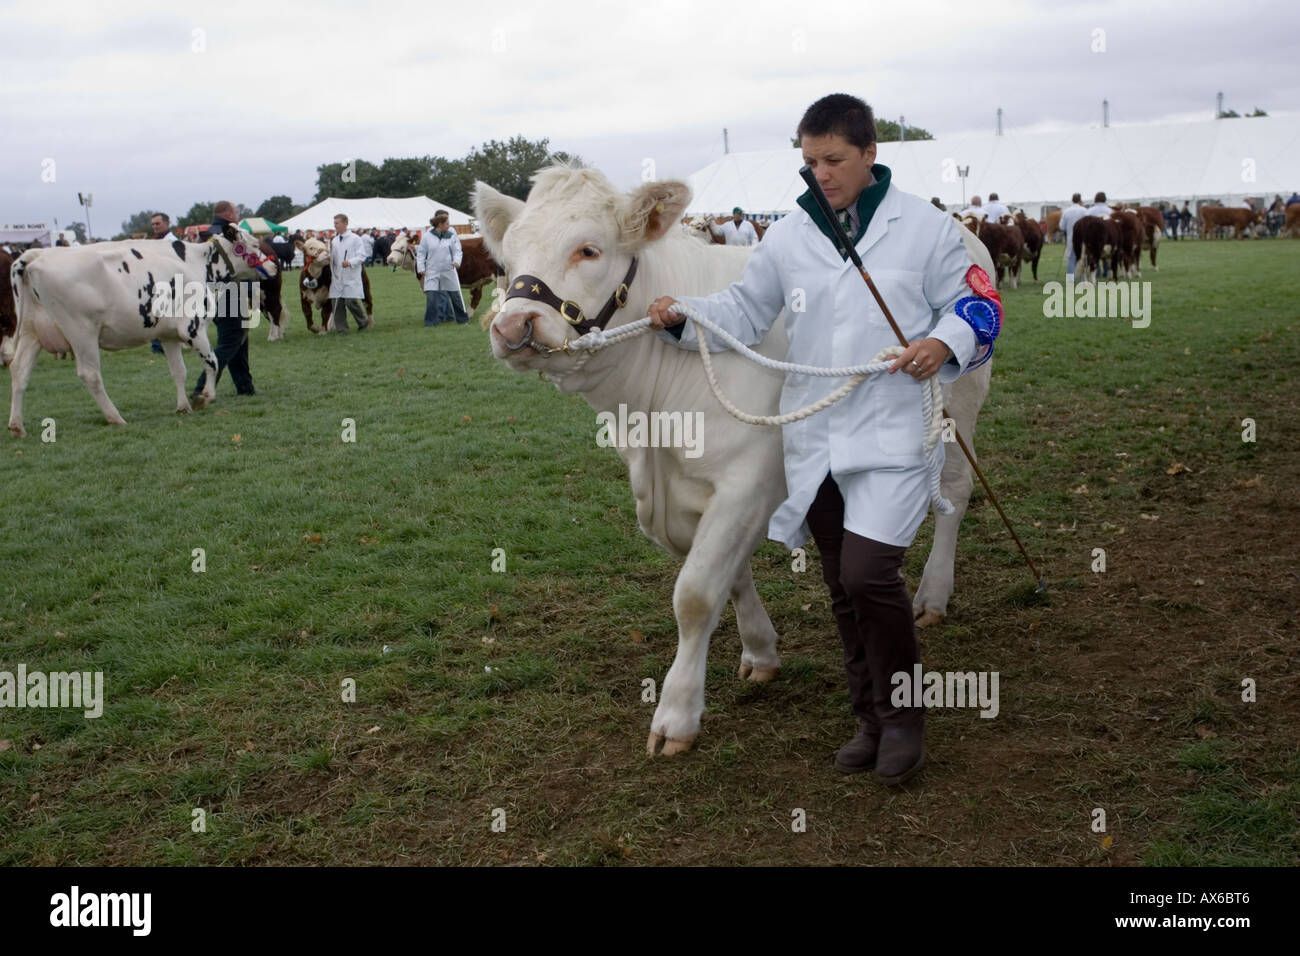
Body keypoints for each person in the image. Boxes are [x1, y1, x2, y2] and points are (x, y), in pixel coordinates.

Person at [648, 93, 998, 787]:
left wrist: (942, 342)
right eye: (810, 161)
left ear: (869, 154)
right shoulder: (789, 236)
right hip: (816, 435)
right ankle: (869, 717)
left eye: (834, 159)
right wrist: (684, 316)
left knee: (869, 574)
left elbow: (980, 304)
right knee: (841, 583)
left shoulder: (927, 229)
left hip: (894, 432)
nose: (821, 173)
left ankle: (904, 718)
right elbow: (745, 311)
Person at [192, 201, 255, 398]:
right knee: (232, 339)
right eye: (236, 212)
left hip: (212, 291)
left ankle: (245, 387)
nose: (237, 215)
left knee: (238, 340)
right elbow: (243, 264)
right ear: (228, 214)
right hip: (230, 290)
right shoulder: (230, 235)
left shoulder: (205, 235)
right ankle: (202, 387)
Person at [416, 211, 466, 325]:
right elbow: (421, 253)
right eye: (447, 223)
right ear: (440, 224)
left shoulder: (451, 235)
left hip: (448, 269)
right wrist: (421, 268)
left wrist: (457, 261)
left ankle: (462, 319)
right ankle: (430, 322)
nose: (449, 226)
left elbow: (458, 250)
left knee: (455, 296)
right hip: (432, 270)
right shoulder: (427, 236)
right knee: (431, 297)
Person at [328, 214, 371, 333]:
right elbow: (334, 257)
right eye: (334, 223)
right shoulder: (334, 240)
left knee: (351, 301)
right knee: (337, 303)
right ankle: (342, 329)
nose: (335, 225)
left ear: (345, 223)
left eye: (337, 223)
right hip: (337, 276)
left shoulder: (355, 239)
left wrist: (350, 262)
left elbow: (362, 255)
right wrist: (329, 257)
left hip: (351, 274)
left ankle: (363, 322)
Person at [149, 212, 176, 353]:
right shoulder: (155, 242)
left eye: (158, 223)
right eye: (153, 224)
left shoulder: (172, 242)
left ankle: (159, 345)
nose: (155, 226)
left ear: (167, 223)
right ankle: (157, 345)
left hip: (168, 283)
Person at [1058, 194, 1089, 277]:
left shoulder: (1066, 211)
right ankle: (1080, 279)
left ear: (1072, 200)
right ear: (1080, 200)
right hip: (1083, 239)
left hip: (1071, 238)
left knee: (1071, 259)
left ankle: (1070, 280)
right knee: (1082, 258)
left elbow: (1061, 227)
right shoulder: (1085, 211)